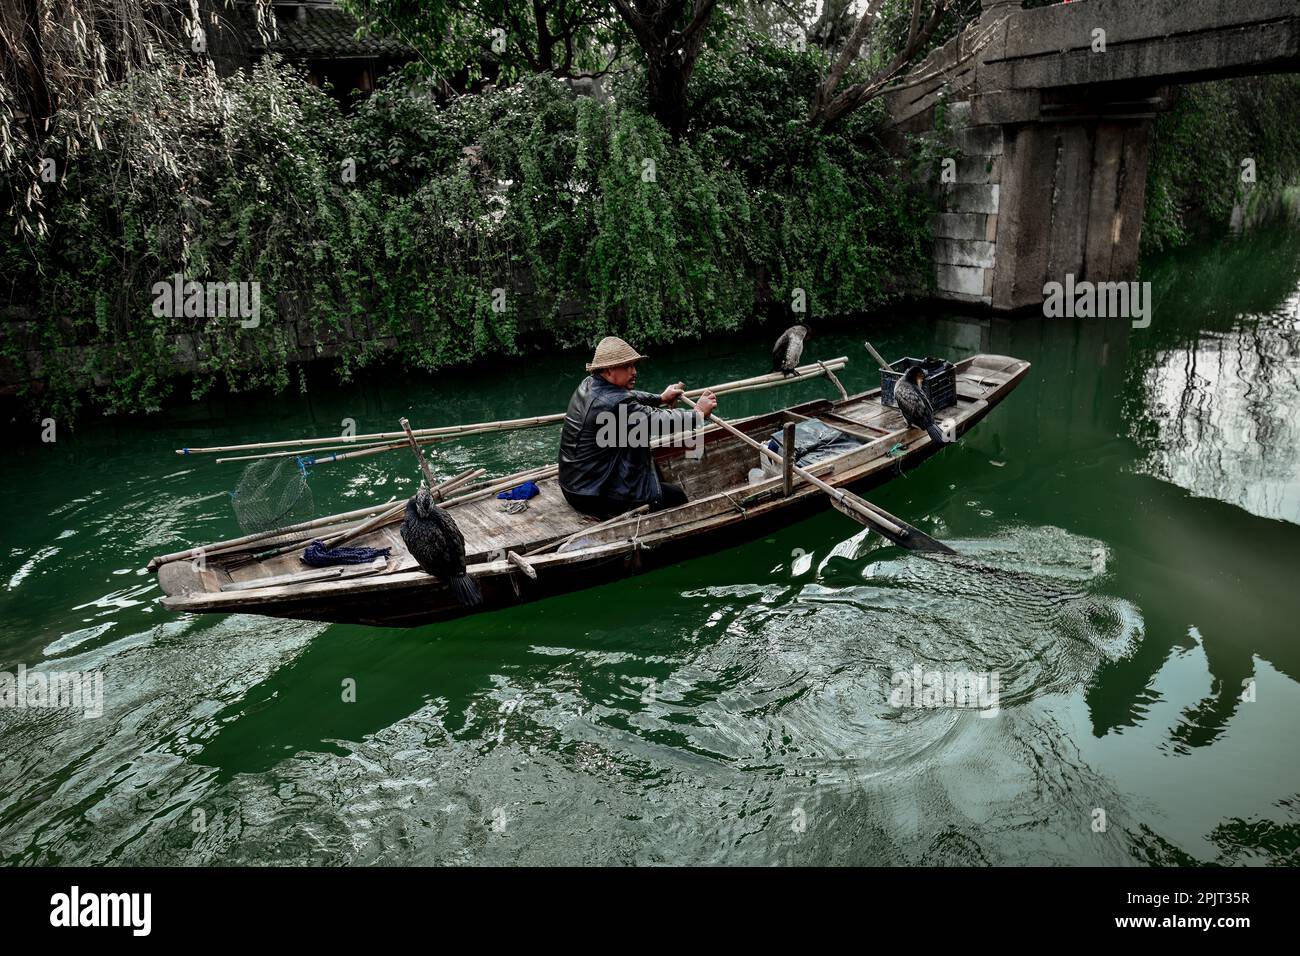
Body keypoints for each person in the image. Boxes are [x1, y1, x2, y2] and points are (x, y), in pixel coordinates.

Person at [558, 336, 718, 519]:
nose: (634, 372)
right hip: (592, 496)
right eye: (628, 366)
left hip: (575, 486)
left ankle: (653, 490)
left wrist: (660, 398)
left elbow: (629, 396)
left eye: (634, 365)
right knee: (676, 497)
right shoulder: (615, 403)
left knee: (639, 442)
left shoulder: (589, 384)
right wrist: (697, 413)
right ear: (610, 369)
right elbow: (658, 420)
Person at [894, 365, 952, 445]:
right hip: (928, 418)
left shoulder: (900, 388)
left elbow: (907, 411)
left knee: (928, 426)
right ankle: (937, 433)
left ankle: (911, 425)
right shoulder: (909, 386)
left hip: (924, 420)